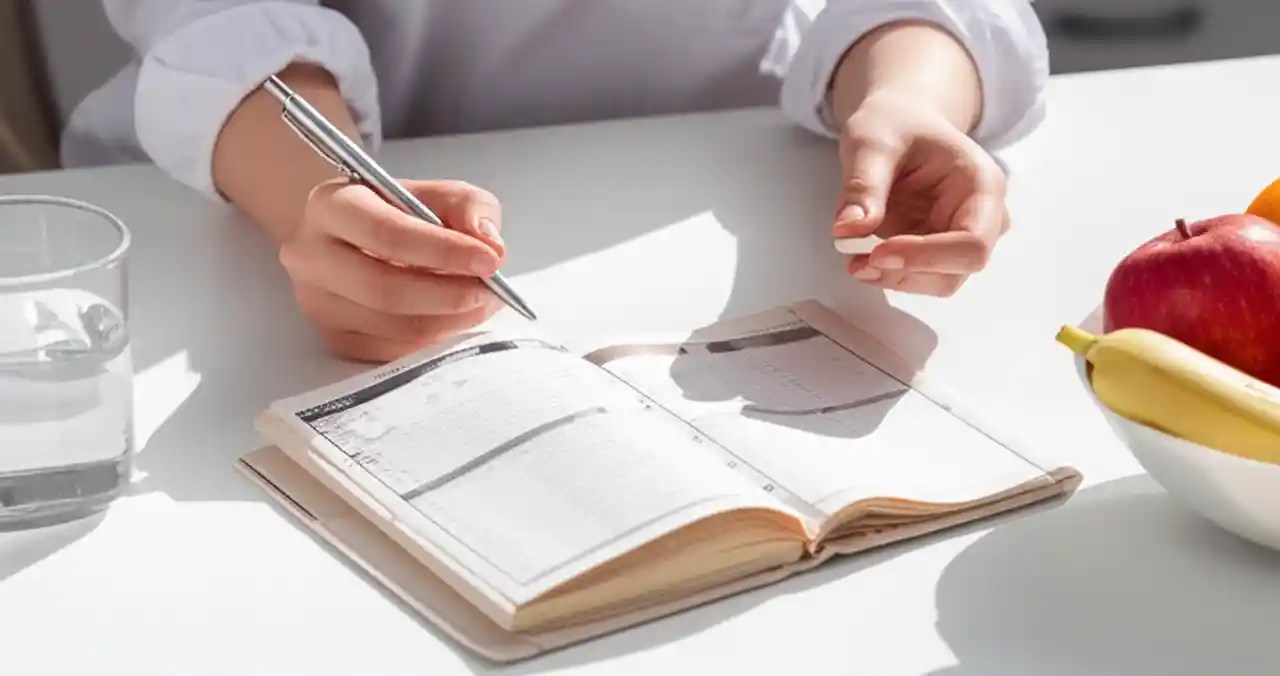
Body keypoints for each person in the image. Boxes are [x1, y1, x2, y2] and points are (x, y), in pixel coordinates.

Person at [66, 1, 1049, 362]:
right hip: (251, 217)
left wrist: (907, 94)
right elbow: (217, 23)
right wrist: (318, 198)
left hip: (755, 194)